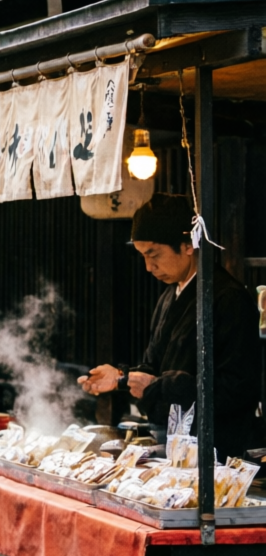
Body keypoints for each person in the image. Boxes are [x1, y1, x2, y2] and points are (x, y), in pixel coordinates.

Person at [80, 193, 261, 458]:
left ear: (188, 244)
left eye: (153, 254)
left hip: (217, 452)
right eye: (142, 255)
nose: (148, 266)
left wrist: (161, 386)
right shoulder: (170, 295)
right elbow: (154, 368)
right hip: (173, 444)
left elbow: (239, 389)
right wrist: (121, 377)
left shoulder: (228, 299)